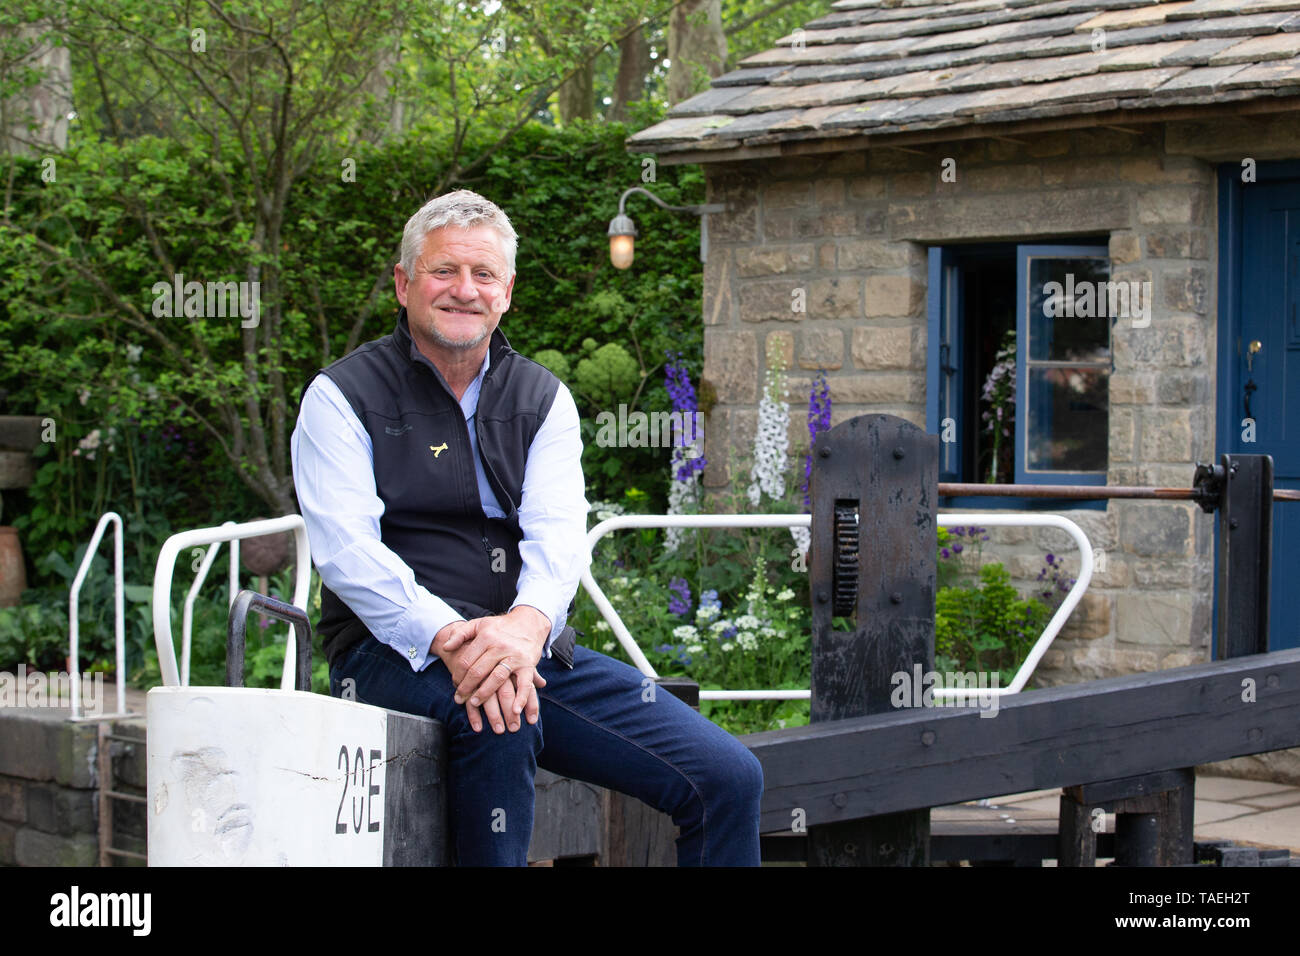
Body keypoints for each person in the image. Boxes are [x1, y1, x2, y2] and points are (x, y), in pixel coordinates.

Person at [290, 189, 763, 866]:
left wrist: (523, 630)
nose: (464, 290)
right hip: (386, 652)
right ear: (403, 284)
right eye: (444, 271)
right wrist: (452, 637)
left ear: (507, 292)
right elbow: (347, 552)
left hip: (526, 644)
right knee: (499, 715)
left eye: (484, 275)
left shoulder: (542, 397)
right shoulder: (341, 396)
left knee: (726, 778)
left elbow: (558, 536)